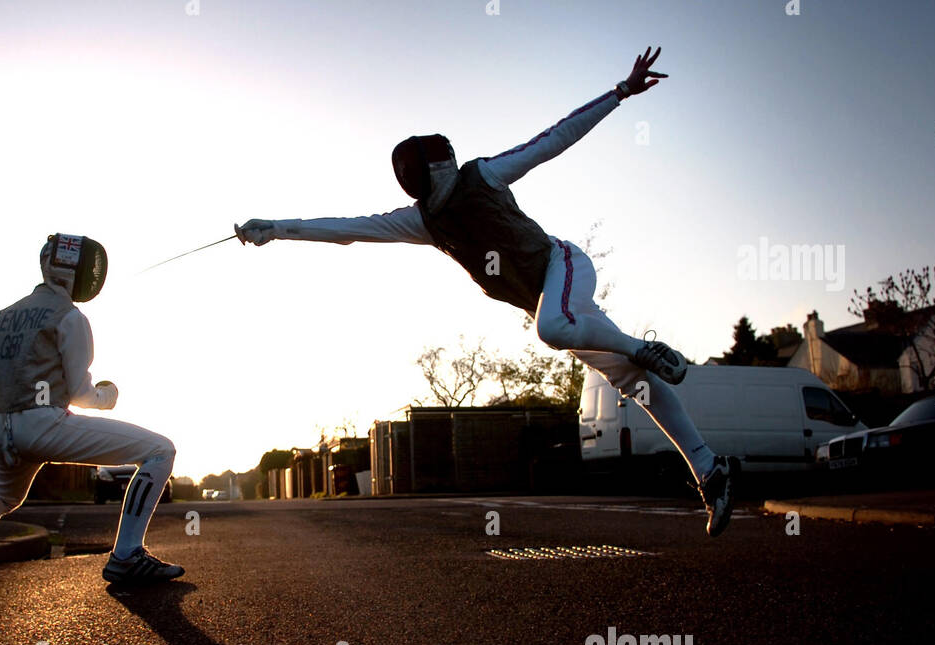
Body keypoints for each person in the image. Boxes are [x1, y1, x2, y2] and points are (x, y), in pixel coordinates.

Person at [235, 48, 739, 536]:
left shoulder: (486, 175)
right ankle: (710, 471)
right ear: (430, 175)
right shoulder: (425, 222)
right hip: (547, 299)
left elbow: (554, 138)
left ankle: (640, 347)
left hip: (563, 266)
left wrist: (621, 92)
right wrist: (275, 227)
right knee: (634, 383)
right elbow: (349, 228)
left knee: (554, 329)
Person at [0, 233, 185, 588]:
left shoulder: (4, 316)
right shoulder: (69, 317)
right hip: (45, 424)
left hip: (0, 428)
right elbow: (80, 393)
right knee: (159, 450)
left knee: (2, 494)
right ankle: (127, 556)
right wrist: (108, 395)